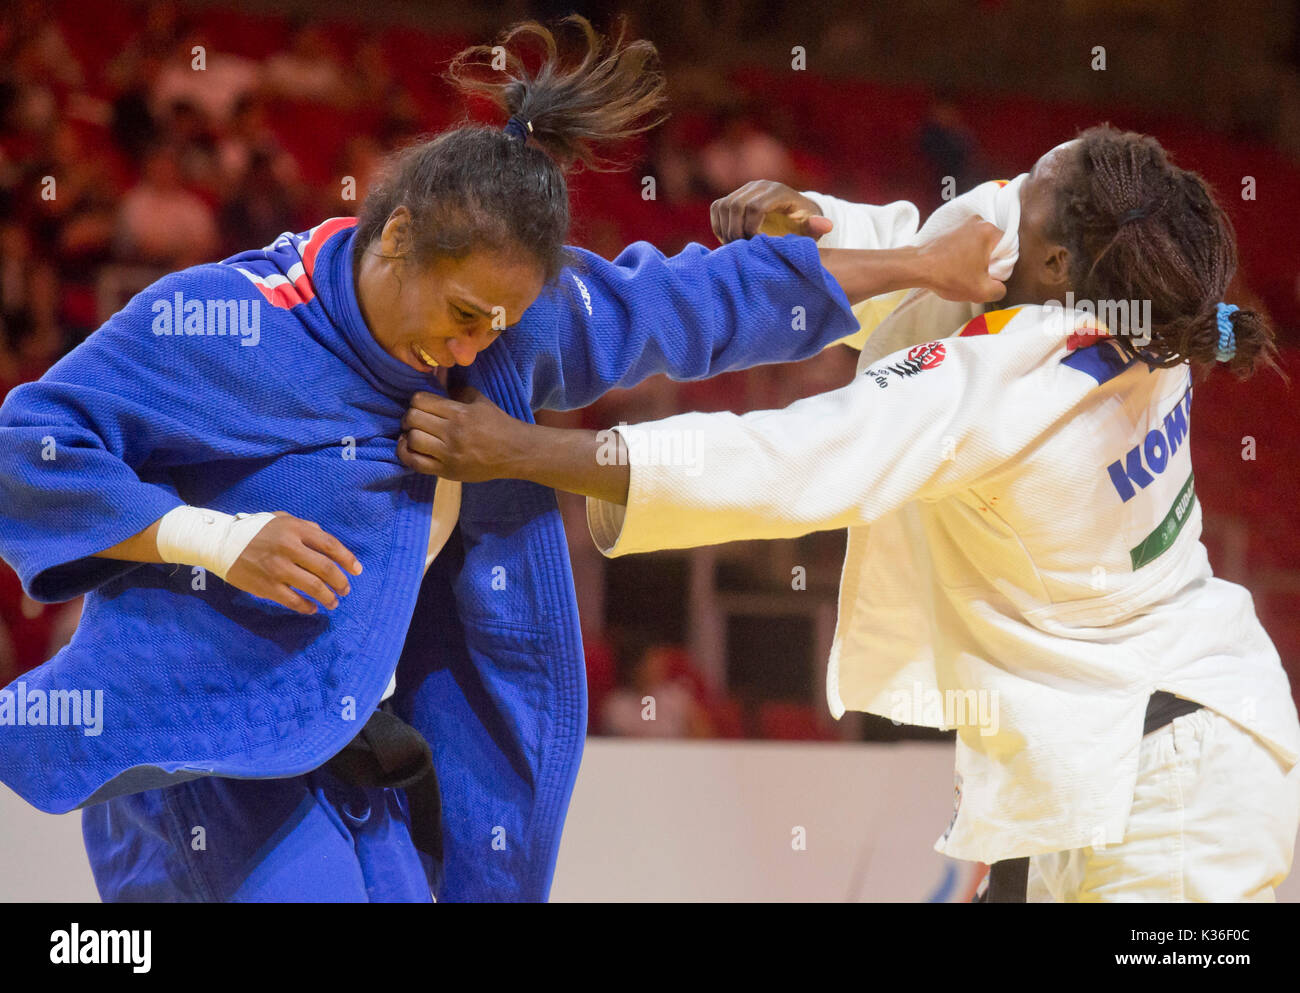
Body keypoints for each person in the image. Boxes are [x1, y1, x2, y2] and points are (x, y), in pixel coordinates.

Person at [0, 17, 1003, 903]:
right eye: (463, 314)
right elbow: (25, 446)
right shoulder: (227, 325)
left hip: (346, 747)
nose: (477, 346)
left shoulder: (511, 326)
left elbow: (706, 300)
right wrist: (214, 539)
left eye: (503, 323)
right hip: (201, 757)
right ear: (396, 239)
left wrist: (919, 266)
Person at [407, 126, 1300, 902]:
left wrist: (526, 452)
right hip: (1107, 755)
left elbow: (786, 460)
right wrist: (822, 225)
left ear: (1058, 265)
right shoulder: (1152, 311)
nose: (1007, 192)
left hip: (1177, 791)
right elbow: (945, 241)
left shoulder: (1010, 383)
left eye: (1033, 188)